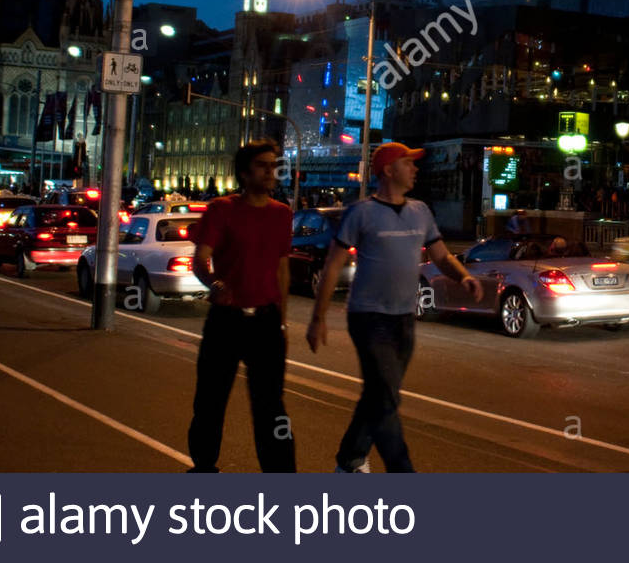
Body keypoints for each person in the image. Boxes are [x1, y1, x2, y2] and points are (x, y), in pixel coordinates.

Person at [307, 142, 482, 473]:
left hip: (404, 319)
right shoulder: (361, 213)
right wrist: (318, 319)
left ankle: (350, 460)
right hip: (368, 317)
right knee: (386, 398)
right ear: (388, 170)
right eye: (408, 163)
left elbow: (441, 256)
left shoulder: (420, 211)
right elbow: (332, 266)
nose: (415, 169)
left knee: (379, 394)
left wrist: (464, 277)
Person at [186, 139, 296, 473]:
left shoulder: (282, 214)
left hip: (265, 322)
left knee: (271, 406)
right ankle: (204, 467)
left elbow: (282, 269)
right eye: (263, 165)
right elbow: (200, 260)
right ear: (245, 173)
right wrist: (214, 284)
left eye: (274, 164)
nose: (271, 171)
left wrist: (282, 321)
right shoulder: (222, 209)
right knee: (211, 399)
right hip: (226, 321)